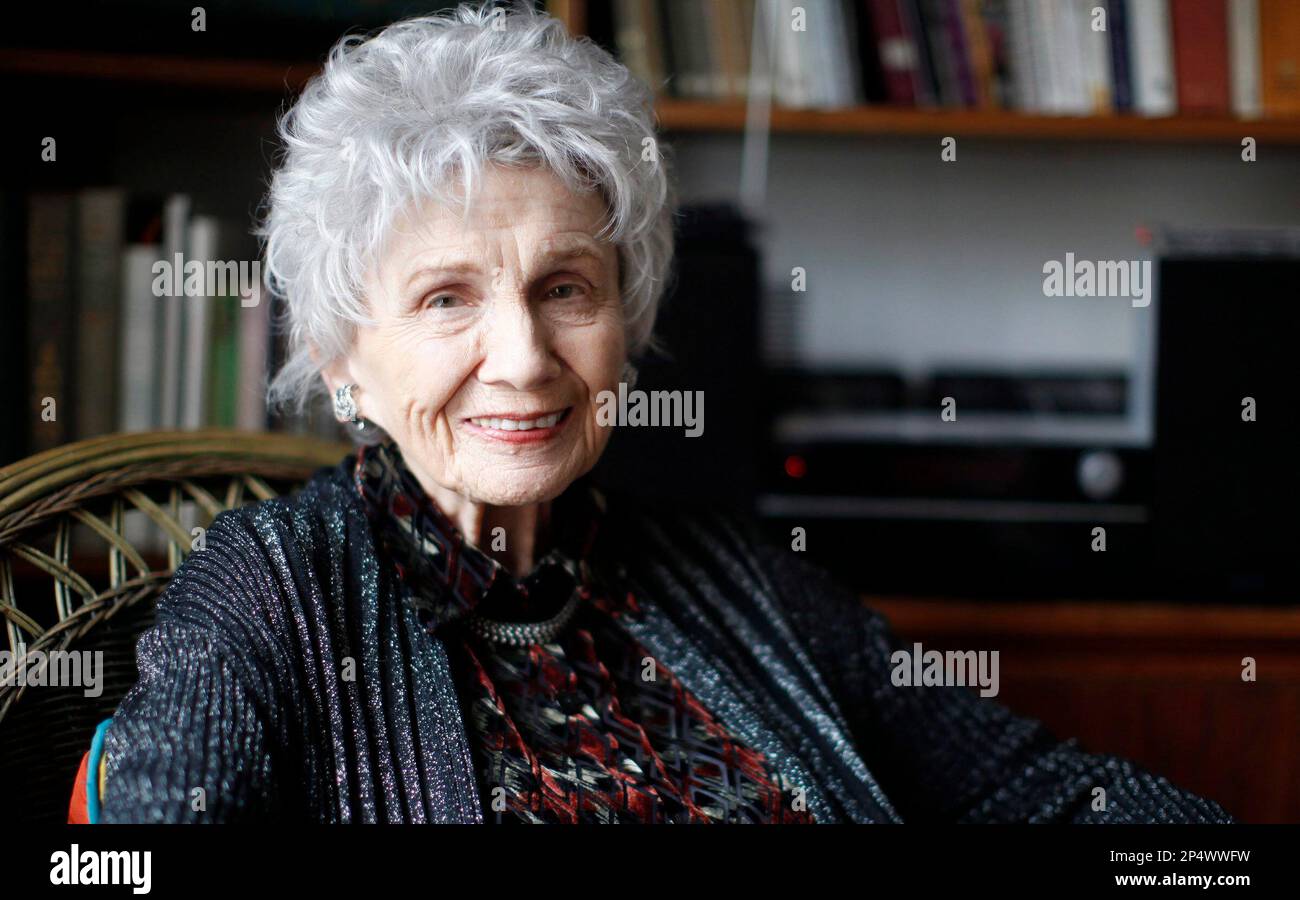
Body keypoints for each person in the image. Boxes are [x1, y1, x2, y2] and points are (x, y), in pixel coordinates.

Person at [80, 2, 1232, 824]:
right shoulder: (275, 583)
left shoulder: (735, 574)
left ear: (624, 317)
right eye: (446, 298)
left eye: (565, 288)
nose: (525, 360)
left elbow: (1035, 784)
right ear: (341, 357)